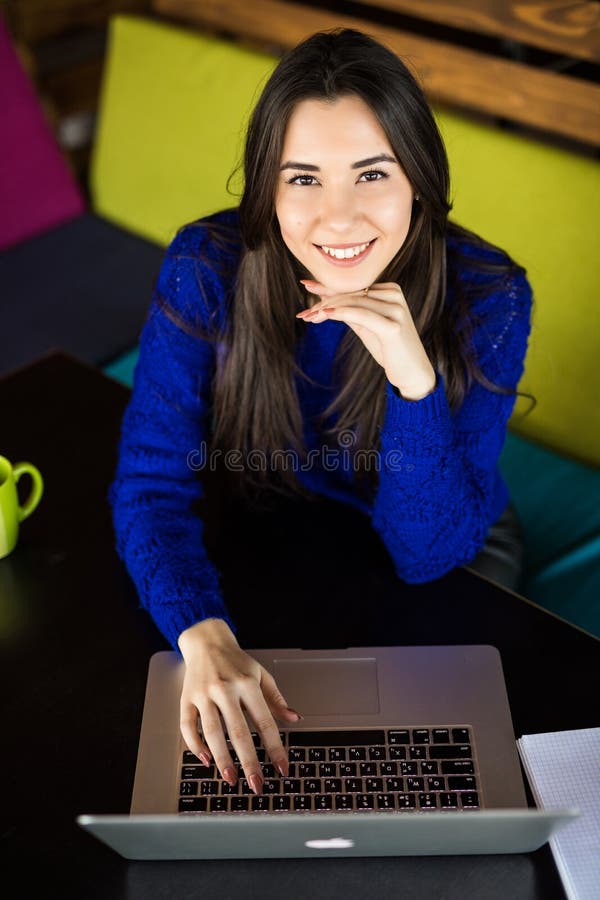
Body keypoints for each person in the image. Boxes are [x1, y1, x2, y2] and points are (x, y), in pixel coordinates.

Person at [110, 29, 532, 800]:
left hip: (446, 539)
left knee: (417, 762)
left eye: (372, 173)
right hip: (280, 510)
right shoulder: (206, 267)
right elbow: (150, 483)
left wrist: (414, 380)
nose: (337, 220)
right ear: (267, 190)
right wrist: (199, 633)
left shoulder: (488, 297)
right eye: (303, 178)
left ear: (419, 181)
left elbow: (427, 554)